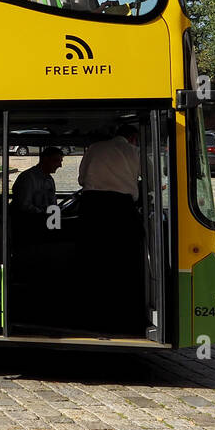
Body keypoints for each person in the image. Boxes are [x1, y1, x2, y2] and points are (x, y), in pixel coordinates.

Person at [76, 124, 144, 333]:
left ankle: (91, 311)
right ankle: (122, 312)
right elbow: (149, 176)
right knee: (123, 261)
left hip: (92, 207)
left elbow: (81, 179)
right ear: (133, 137)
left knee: (93, 259)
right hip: (120, 209)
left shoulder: (95, 148)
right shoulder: (134, 152)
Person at [12, 147, 63, 219]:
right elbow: (24, 205)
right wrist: (45, 215)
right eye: (56, 161)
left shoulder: (49, 180)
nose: (60, 165)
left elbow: (52, 202)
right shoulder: (28, 178)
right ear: (45, 159)